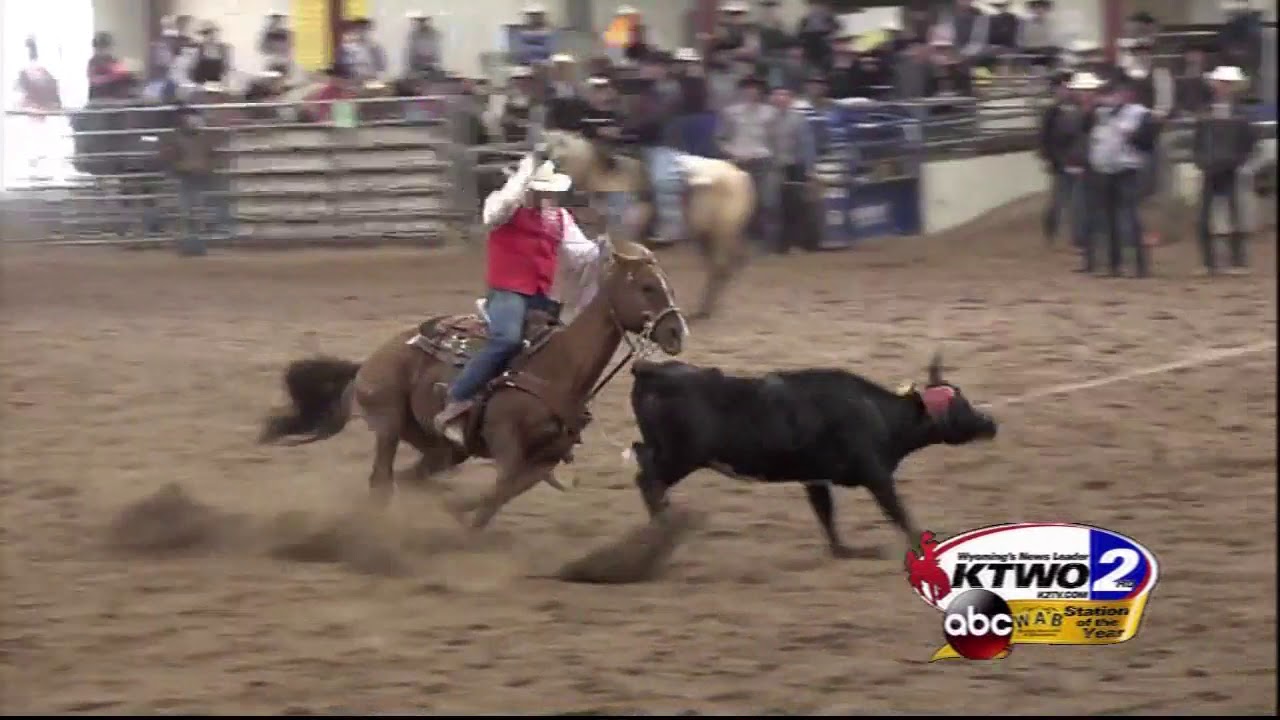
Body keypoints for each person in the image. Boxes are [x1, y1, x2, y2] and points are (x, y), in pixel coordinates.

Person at [433, 149, 599, 444]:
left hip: (539, 295)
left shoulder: (559, 218)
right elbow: (496, 210)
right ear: (529, 189)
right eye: (542, 191)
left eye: (551, 192)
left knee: (561, 350)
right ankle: (456, 398)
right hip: (507, 289)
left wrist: (602, 252)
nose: (549, 198)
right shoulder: (505, 208)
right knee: (507, 339)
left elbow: (581, 252)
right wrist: (523, 174)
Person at [1088, 75, 1157, 277]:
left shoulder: (1140, 114)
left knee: (1129, 217)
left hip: (1128, 168)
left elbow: (1147, 141)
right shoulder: (1100, 114)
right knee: (1108, 219)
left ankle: (1139, 265)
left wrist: (1132, 135)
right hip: (1104, 169)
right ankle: (1113, 263)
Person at [1193, 65, 1258, 275]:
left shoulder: (1240, 114)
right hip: (1211, 167)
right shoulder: (1206, 111)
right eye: (1221, 83)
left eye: (1227, 84)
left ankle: (1237, 261)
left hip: (1230, 168)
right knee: (1205, 217)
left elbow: (1248, 141)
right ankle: (1208, 262)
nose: (1223, 88)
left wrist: (1238, 161)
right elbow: (1198, 139)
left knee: (1234, 214)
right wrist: (1201, 160)